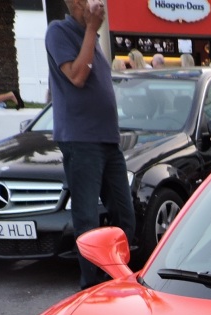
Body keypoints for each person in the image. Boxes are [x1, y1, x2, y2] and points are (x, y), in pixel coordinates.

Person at [45, 0, 136, 289]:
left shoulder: (92, 38)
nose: (96, 5)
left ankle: (115, 279)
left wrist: (92, 32)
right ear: (75, 3)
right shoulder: (58, 31)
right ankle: (91, 287)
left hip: (107, 139)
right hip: (81, 139)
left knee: (124, 215)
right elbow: (77, 76)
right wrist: (91, 30)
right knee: (87, 218)